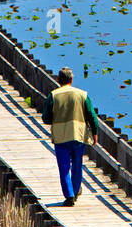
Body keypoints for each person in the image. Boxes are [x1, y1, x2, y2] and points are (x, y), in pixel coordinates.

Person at [41, 67, 99, 206]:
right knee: (77, 165)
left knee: (64, 166)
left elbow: (46, 118)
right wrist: (95, 133)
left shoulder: (53, 95)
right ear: (72, 80)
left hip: (61, 136)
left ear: (58, 80)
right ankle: (75, 190)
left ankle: (69, 196)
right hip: (78, 135)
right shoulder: (82, 95)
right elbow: (92, 116)